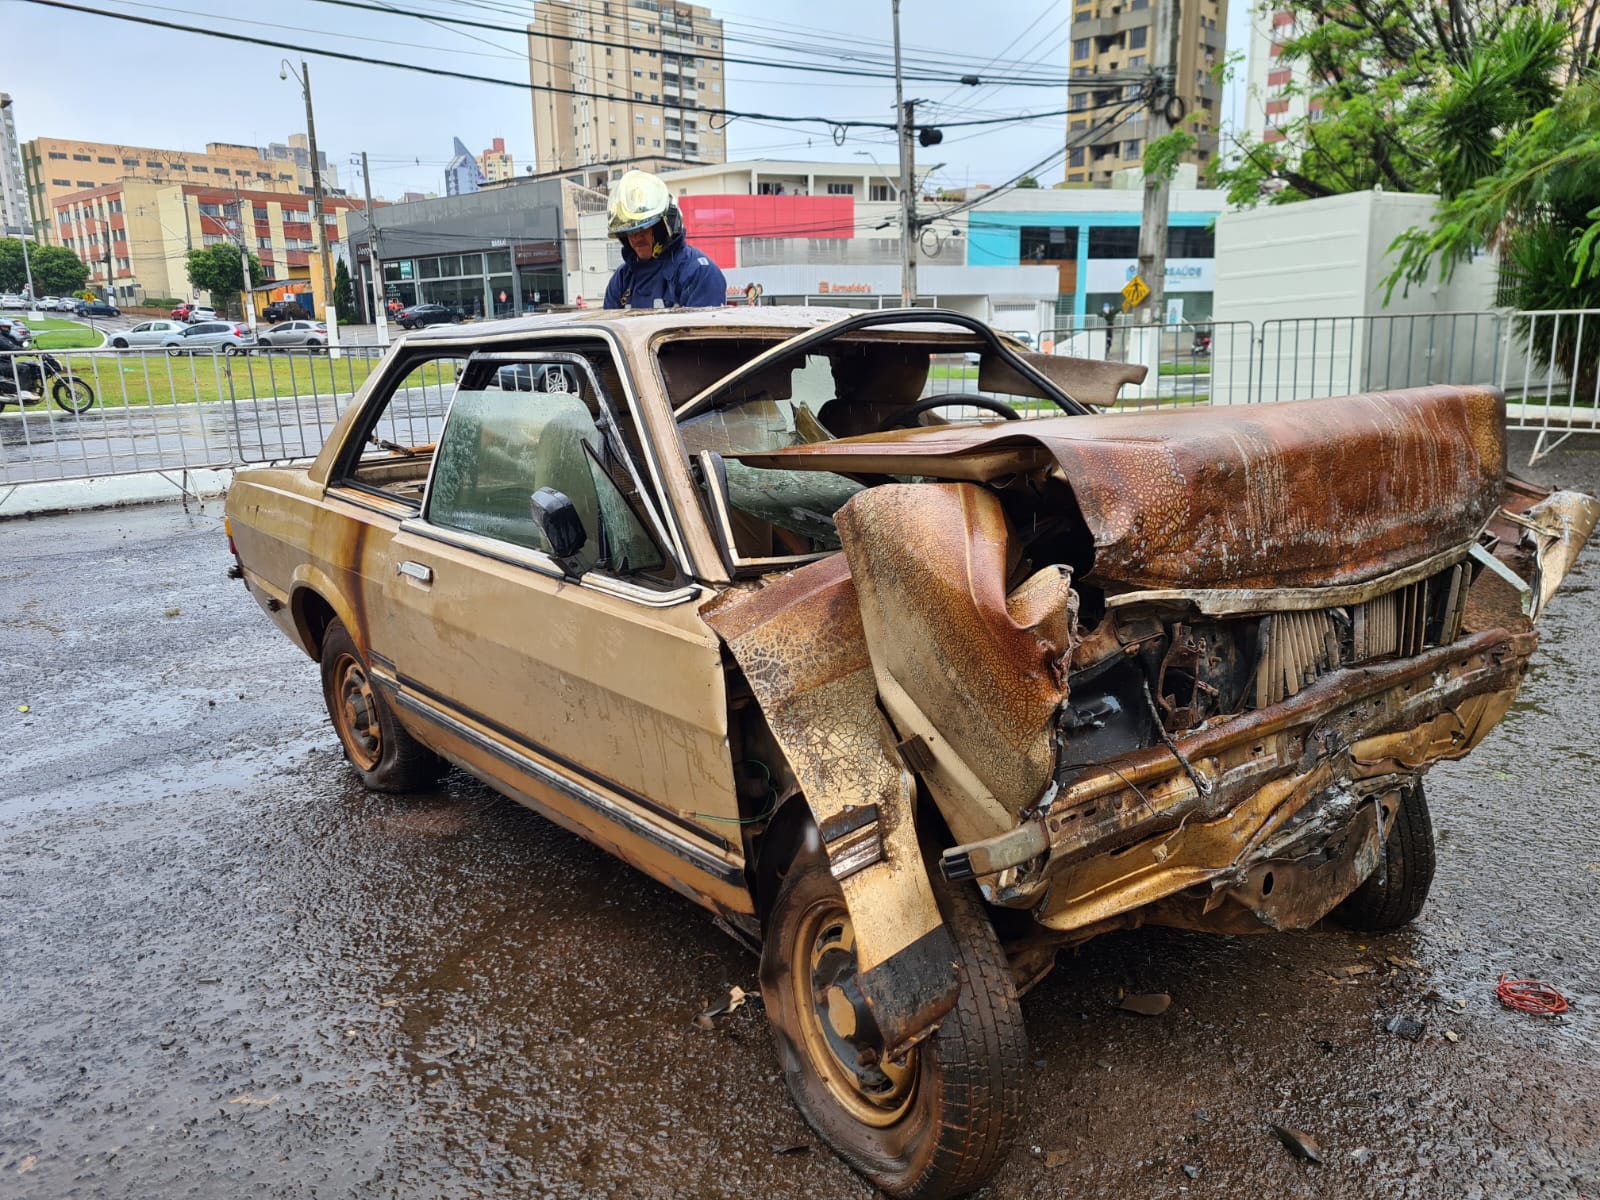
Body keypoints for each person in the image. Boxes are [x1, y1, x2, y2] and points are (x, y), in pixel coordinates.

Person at [604, 169, 726, 310]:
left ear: (663, 227)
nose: (636, 237)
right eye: (629, 232)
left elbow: (703, 330)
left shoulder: (698, 273)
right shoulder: (622, 279)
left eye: (644, 228)